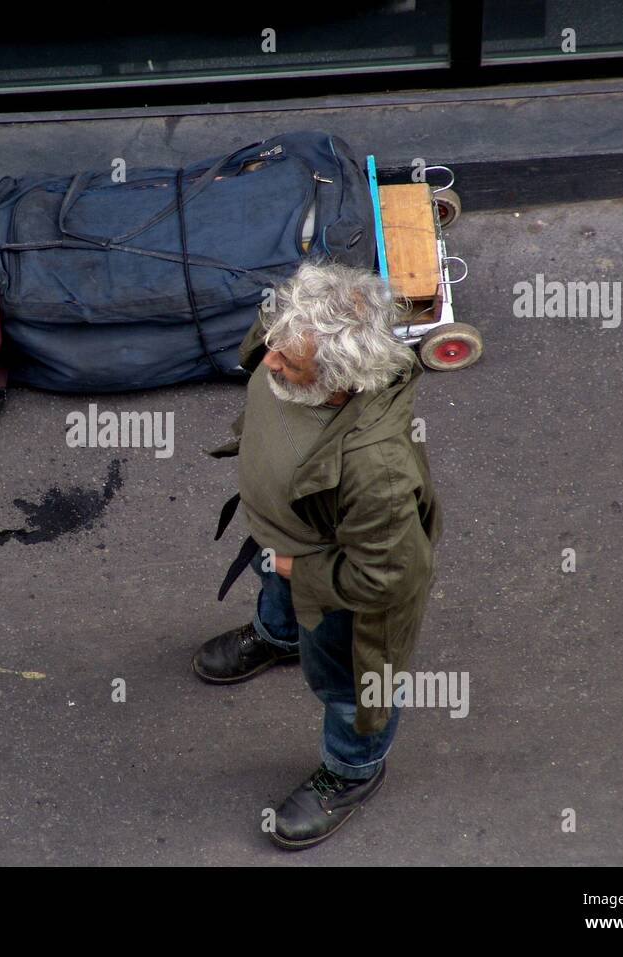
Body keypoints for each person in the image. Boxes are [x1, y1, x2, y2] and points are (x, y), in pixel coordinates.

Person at [196, 260, 442, 850]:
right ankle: (279, 636)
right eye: (273, 343)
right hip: (282, 536)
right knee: (276, 589)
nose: (266, 359)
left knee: (353, 685)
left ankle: (353, 771)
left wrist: (299, 568)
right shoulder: (291, 337)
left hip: (330, 576)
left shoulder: (376, 472)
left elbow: (388, 577)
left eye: (287, 361)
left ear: (339, 379)